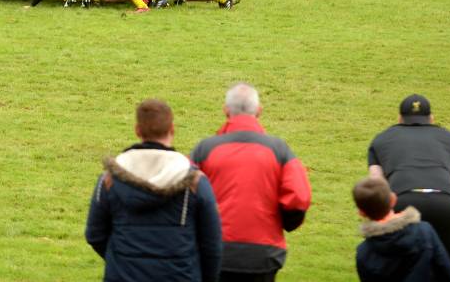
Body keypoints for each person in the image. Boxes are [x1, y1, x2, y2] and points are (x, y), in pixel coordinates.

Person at [85, 99, 223, 282]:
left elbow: (95, 235)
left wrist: (119, 259)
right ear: (172, 129)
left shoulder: (109, 180)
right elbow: (212, 244)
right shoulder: (195, 182)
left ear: (137, 130)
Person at [191, 83, 311, 282]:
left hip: (215, 250)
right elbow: (298, 197)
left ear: (226, 111)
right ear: (259, 111)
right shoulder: (279, 150)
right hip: (263, 255)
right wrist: (286, 222)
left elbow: (185, 195)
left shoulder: (205, 149)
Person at [367, 95, 450, 282]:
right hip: (446, 206)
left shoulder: (381, 139)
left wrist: (381, 224)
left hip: (403, 204)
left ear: (399, 118)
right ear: (431, 118)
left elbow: (376, 185)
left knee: (399, 272)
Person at [352, 175, 450, 282]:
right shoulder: (424, 232)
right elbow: (448, 273)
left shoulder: (363, 253)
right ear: (393, 199)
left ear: (361, 212)